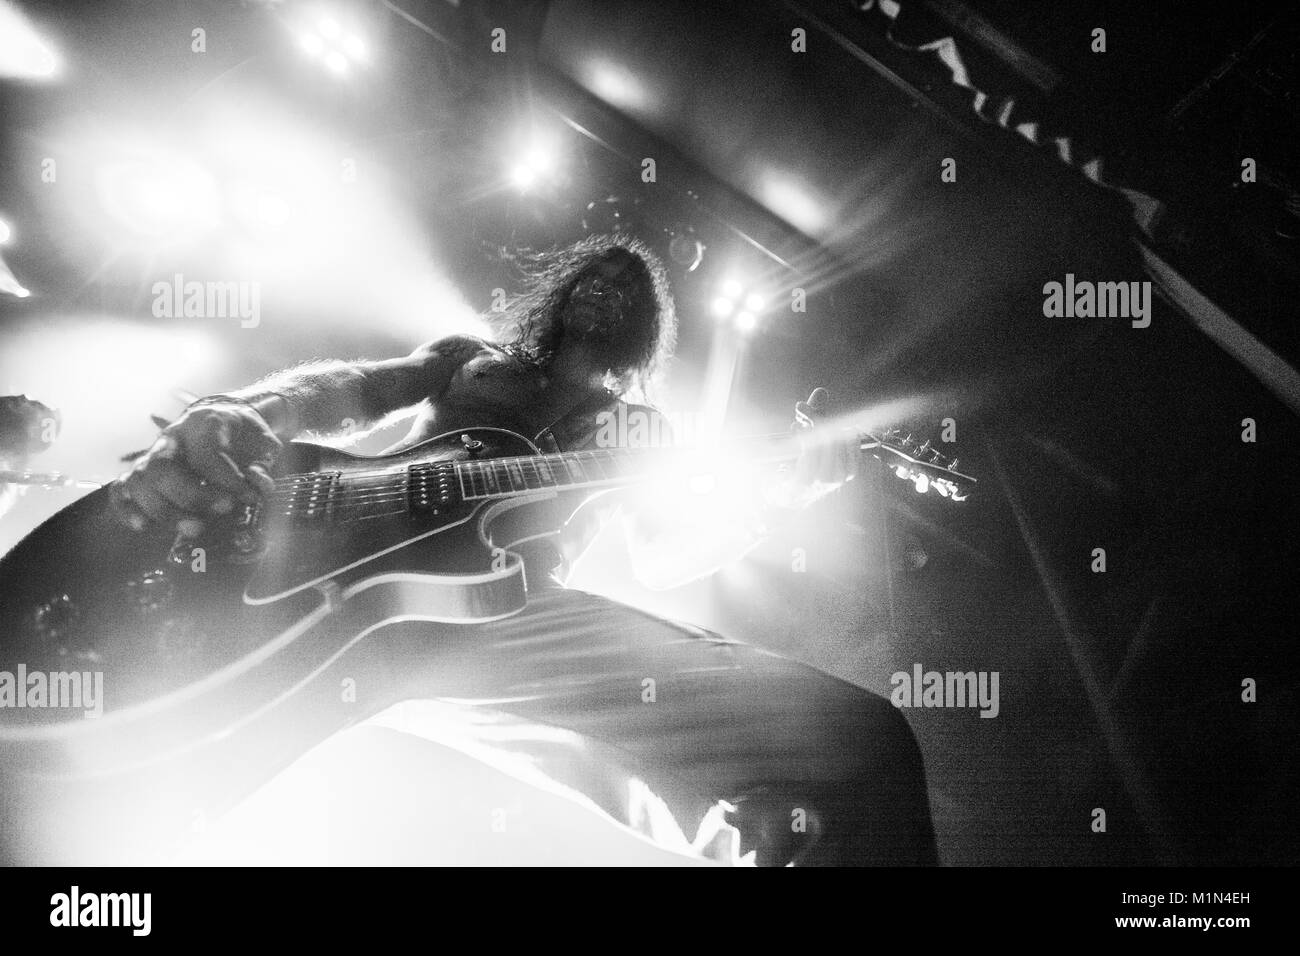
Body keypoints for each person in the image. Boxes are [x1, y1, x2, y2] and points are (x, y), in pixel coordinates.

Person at [112, 234, 938, 865]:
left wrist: (770, 499)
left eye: (631, 288)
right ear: (562, 289)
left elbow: (663, 559)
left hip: (495, 620)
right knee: (125, 782)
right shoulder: (466, 362)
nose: (608, 290)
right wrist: (242, 412)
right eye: (597, 275)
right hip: (316, 565)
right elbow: (339, 393)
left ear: (648, 329)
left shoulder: (636, 430)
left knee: (855, 745)